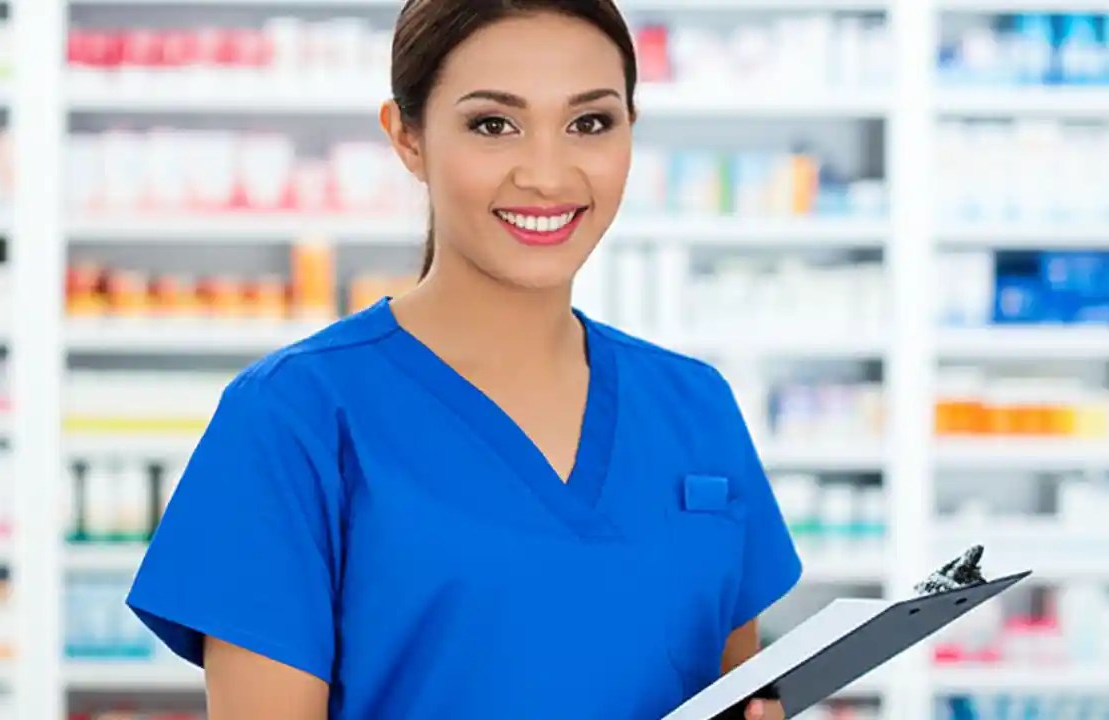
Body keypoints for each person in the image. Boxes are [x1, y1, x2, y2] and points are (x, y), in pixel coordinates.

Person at [125, 1, 802, 718]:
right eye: (493, 125)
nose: (547, 174)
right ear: (407, 139)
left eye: (590, 123)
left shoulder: (695, 406)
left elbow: (735, 693)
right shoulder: (294, 417)